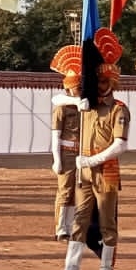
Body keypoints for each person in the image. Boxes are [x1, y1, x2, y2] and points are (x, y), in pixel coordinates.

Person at [51, 31, 128, 270]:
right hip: (85, 172)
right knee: (79, 222)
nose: (101, 84)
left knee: (107, 226)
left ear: (113, 82)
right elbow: (59, 98)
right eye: (98, 79)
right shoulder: (88, 105)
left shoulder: (119, 109)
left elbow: (120, 145)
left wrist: (92, 159)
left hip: (105, 171)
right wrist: (76, 99)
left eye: (106, 80)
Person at [46, 48, 83, 242]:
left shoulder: (83, 105)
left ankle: (70, 226)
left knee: (77, 192)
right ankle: (60, 228)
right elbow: (56, 135)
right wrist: (57, 159)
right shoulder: (61, 107)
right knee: (65, 191)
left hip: (81, 152)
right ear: (69, 88)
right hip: (67, 151)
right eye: (77, 86)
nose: (80, 89)